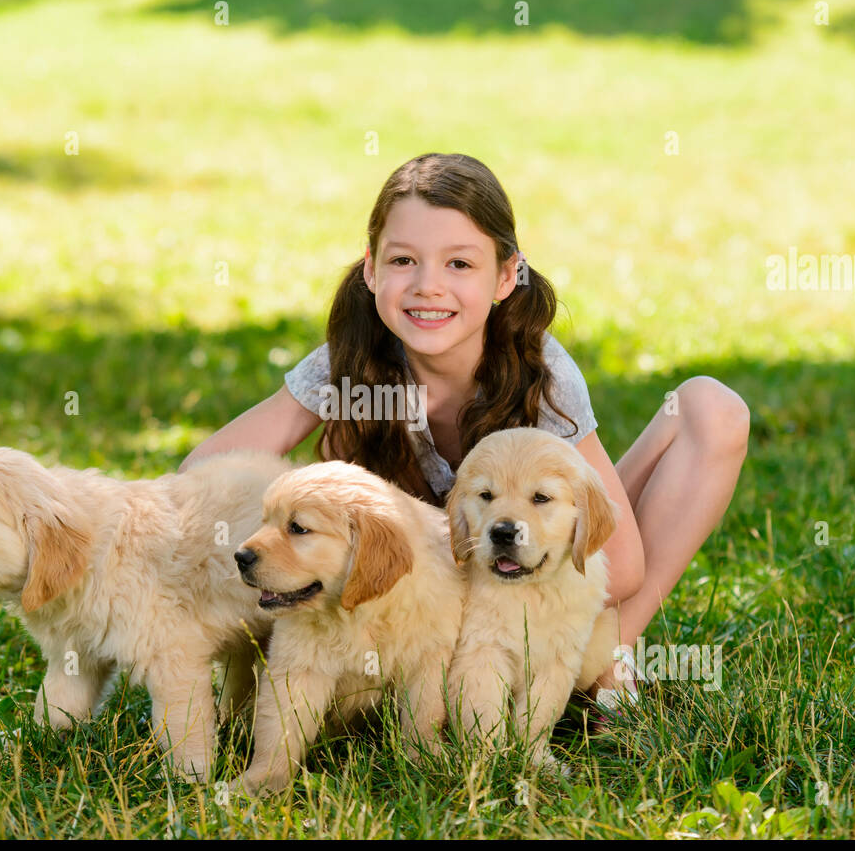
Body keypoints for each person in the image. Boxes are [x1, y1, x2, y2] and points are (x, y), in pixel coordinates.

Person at [180, 152, 749, 710]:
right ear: (371, 270)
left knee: (710, 408)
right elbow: (200, 477)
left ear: (506, 275)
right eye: (403, 261)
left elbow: (618, 567)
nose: (428, 285)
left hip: (525, 557)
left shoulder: (538, 368)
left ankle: (610, 655)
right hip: (423, 595)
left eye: (459, 264)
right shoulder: (347, 364)